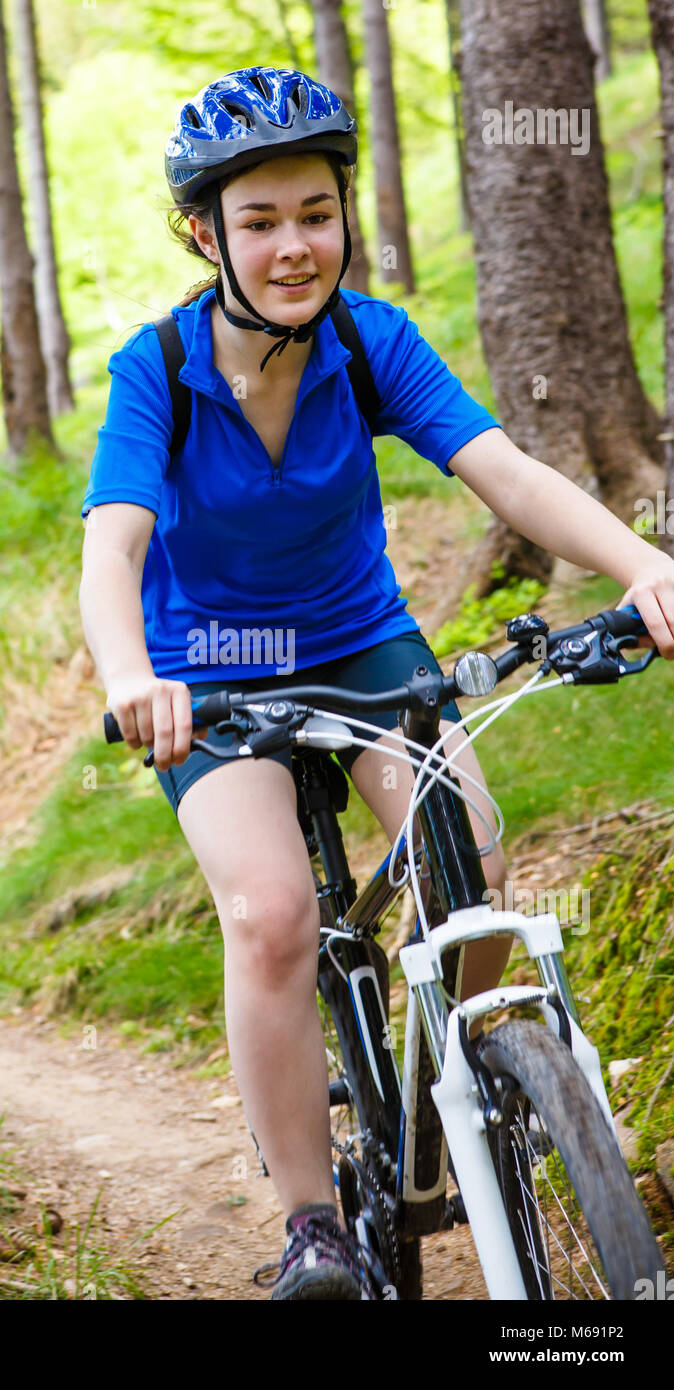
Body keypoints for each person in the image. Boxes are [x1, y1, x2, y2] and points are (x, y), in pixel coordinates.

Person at [79, 67, 674, 1300]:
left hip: (359, 643)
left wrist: (639, 564)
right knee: (273, 915)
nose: (294, 246)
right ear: (206, 235)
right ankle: (311, 1222)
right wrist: (134, 674)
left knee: (475, 856)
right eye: (258, 221)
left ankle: (473, 1088)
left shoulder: (368, 339)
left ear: (345, 214)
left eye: (314, 212)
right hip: (203, 674)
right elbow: (113, 548)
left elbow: (504, 474)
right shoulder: (156, 370)